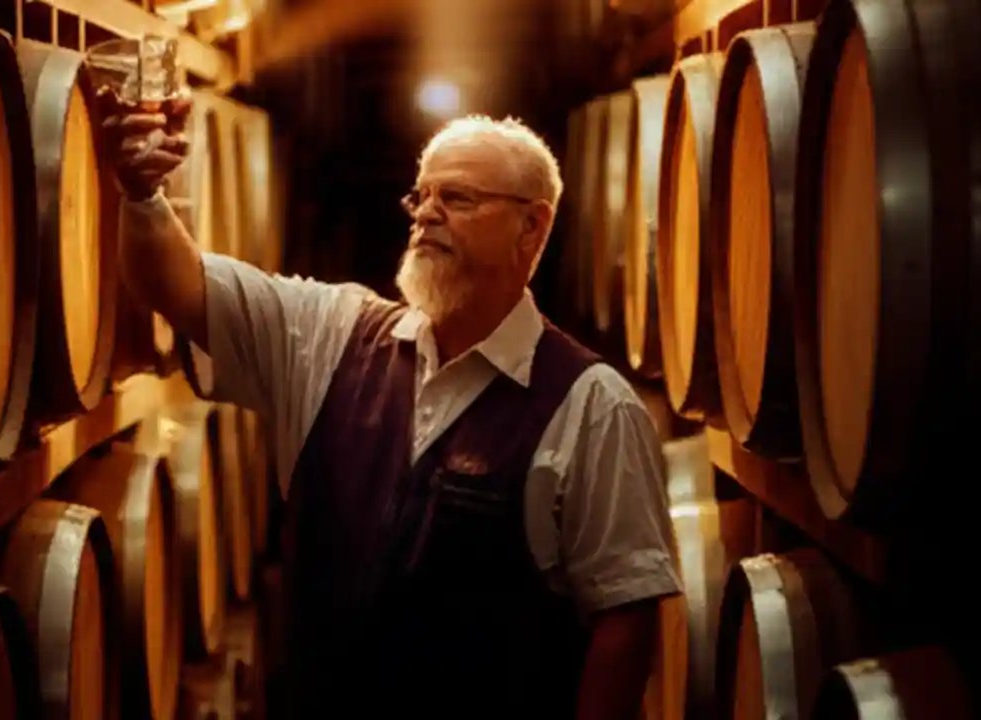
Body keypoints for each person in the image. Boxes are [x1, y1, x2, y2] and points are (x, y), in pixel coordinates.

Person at [100, 90, 682, 719]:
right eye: (420, 196)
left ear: (532, 226)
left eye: (457, 199)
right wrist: (142, 195)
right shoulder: (330, 333)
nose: (427, 215)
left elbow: (624, 621)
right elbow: (181, 289)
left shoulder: (592, 406)